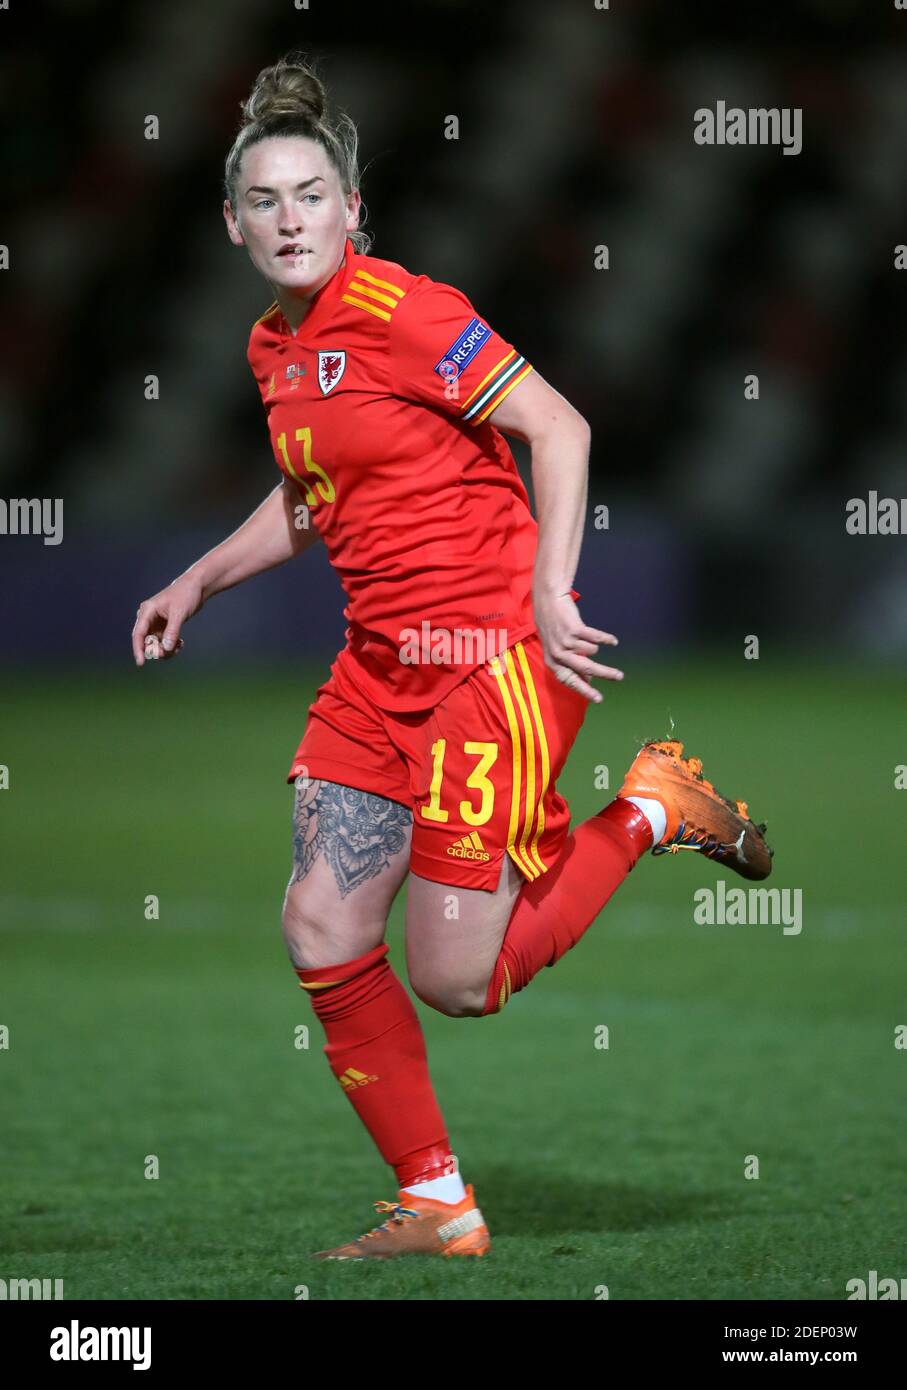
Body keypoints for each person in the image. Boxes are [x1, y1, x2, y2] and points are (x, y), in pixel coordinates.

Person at [132, 52, 772, 1261]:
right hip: (378, 673)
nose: (289, 219)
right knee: (320, 922)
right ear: (231, 222)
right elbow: (313, 493)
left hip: (492, 665)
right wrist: (197, 579)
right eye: (264, 200)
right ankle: (439, 1202)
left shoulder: (404, 310)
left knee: (458, 980)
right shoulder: (274, 350)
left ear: (353, 209)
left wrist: (545, 586)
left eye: (311, 195)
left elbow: (557, 424)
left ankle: (647, 805)